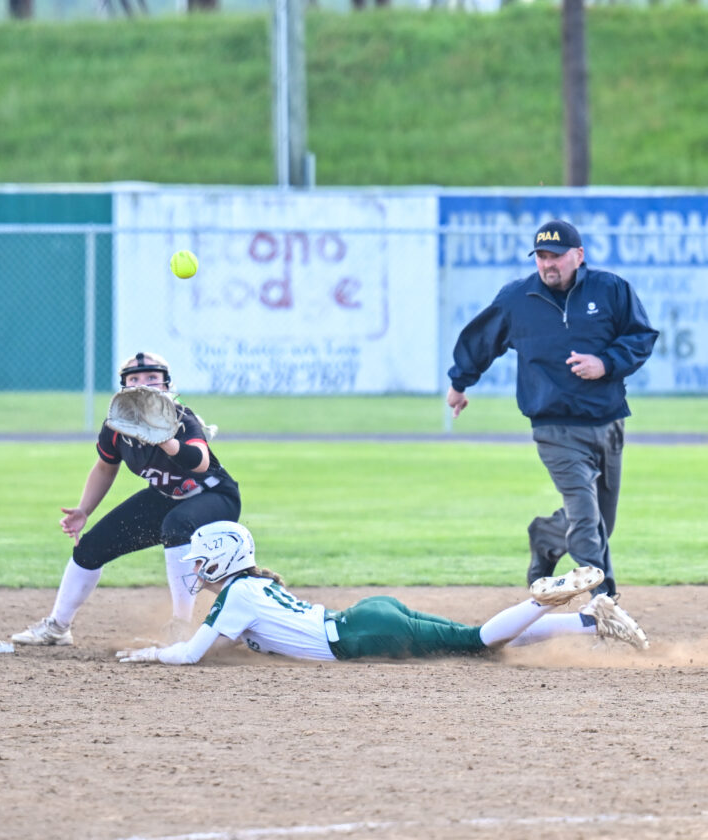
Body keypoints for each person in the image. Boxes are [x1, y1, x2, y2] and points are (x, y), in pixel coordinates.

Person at [445, 220, 658, 599]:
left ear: (578, 255)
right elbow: (481, 338)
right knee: (586, 518)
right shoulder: (517, 299)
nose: (548, 264)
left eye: (556, 256)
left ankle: (546, 536)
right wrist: (460, 383)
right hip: (554, 428)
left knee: (601, 525)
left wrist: (606, 363)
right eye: (541, 257)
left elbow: (641, 336)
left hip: (608, 422)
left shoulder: (610, 289)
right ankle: (603, 603)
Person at [115, 521, 649, 666]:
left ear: (226, 559)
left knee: (475, 643)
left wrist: (152, 655)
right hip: (367, 619)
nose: (198, 570)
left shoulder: (238, 598)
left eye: (204, 561)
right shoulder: (249, 590)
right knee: (480, 643)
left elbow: (190, 655)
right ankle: (590, 620)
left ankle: (544, 598)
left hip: (366, 631)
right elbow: (226, 643)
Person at [12, 351, 241, 646]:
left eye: (151, 378)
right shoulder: (117, 427)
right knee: (91, 548)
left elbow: (200, 462)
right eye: (134, 379)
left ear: (167, 385)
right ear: (123, 387)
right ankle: (57, 627)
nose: (143, 385)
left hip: (213, 495)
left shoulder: (182, 418)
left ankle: (182, 628)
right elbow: (105, 468)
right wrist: (84, 510)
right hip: (164, 497)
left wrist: (167, 442)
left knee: (177, 526)